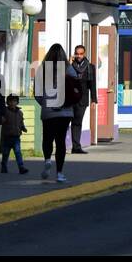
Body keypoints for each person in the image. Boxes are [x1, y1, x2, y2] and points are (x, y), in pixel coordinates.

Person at [35, 44, 79, 183]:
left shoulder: (42, 69)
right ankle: (59, 173)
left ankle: (48, 159)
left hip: (49, 111)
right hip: (65, 112)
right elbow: (76, 89)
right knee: (61, 141)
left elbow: (37, 93)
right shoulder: (69, 69)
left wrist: (45, 103)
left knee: (47, 137)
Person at [69, 44, 96, 154]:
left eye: (81, 54)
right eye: (77, 54)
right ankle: (69, 145)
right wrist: (69, 64)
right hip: (70, 98)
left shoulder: (90, 67)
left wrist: (94, 99)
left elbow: (92, 84)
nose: (79, 56)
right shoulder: (70, 66)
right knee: (69, 121)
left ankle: (76, 147)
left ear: (84, 54)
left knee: (77, 122)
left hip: (82, 99)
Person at [0, 94, 28, 174]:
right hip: (7, 137)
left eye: (14, 101)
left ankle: (21, 167)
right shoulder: (5, 112)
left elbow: (21, 122)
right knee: (5, 154)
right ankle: (4, 167)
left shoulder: (20, 113)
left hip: (16, 137)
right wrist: (1, 120)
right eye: (10, 101)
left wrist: (23, 128)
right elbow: (2, 121)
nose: (12, 103)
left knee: (18, 153)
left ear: (17, 102)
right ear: (7, 103)